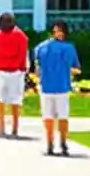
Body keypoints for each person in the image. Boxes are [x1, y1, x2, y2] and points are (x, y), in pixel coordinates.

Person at [35, 19, 82, 156]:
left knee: (48, 117)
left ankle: (49, 144)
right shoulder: (68, 48)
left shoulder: (40, 48)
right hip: (62, 86)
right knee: (63, 117)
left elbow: (37, 69)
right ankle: (63, 143)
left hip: (46, 86)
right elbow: (76, 68)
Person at [0, 12, 29, 138]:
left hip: (1, 71)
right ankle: (14, 128)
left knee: (0, 100)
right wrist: (23, 68)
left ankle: (2, 128)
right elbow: (23, 54)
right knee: (15, 101)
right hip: (16, 72)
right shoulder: (21, 36)